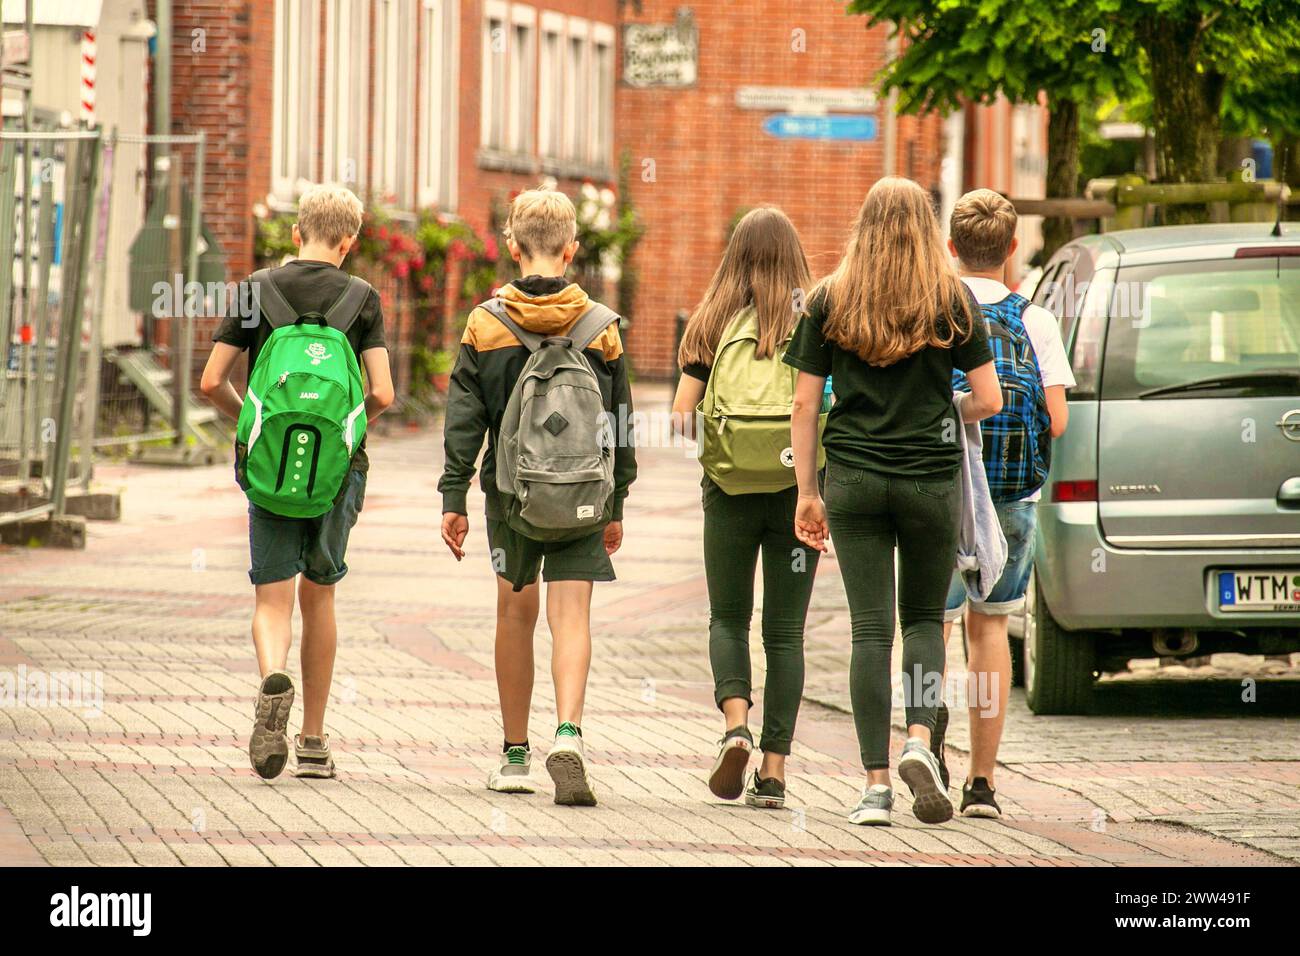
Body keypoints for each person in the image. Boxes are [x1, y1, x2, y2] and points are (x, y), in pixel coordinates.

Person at [784, 177, 1003, 826]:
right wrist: (949, 408)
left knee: (870, 630)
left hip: (853, 481)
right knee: (923, 622)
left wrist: (807, 492)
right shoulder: (951, 300)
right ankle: (918, 740)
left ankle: (875, 787)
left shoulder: (829, 299)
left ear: (864, 226)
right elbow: (989, 399)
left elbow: (803, 405)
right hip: (930, 481)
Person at [438, 187, 636, 806]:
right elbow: (621, 423)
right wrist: (616, 503)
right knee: (571, 617)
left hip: (511, 498)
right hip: (583, 495)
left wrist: (453, 496)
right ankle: (569, 733)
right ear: (572, 250)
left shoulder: (485, 324)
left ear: (512, 246)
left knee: (514, 615)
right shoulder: (602, 328)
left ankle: (516, 755)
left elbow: (464, 420)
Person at [200, 183, 394, 780]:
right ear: (349, 241)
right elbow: (383, 393)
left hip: (270, 468)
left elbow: (210, 382)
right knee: (320, 593)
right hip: (337, 474)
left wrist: (253, 426)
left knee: (272, 597)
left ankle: (272, 676)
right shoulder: (362, 298)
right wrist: (345, 435)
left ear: (295, 232)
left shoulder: (255, 289)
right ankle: (312, 741)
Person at [671, 207, 820, 810]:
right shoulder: (814, 320)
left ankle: (736, 726)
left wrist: (723, 441)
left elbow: (681, 418)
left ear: (735, 257)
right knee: (785, 633)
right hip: (797, 493)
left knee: (728, 618)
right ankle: (775, 770)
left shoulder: (711, 320)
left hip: (728, 490)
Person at [936, 189, 1074, 818]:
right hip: (1011, 495)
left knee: (929, 624)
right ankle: (982, 783)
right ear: (1013, 248)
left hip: (941, 488)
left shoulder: (933, 311)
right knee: (989, 627)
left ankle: (924, 744)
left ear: (950, 247)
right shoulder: (1035, 320)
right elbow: (1058, 421)